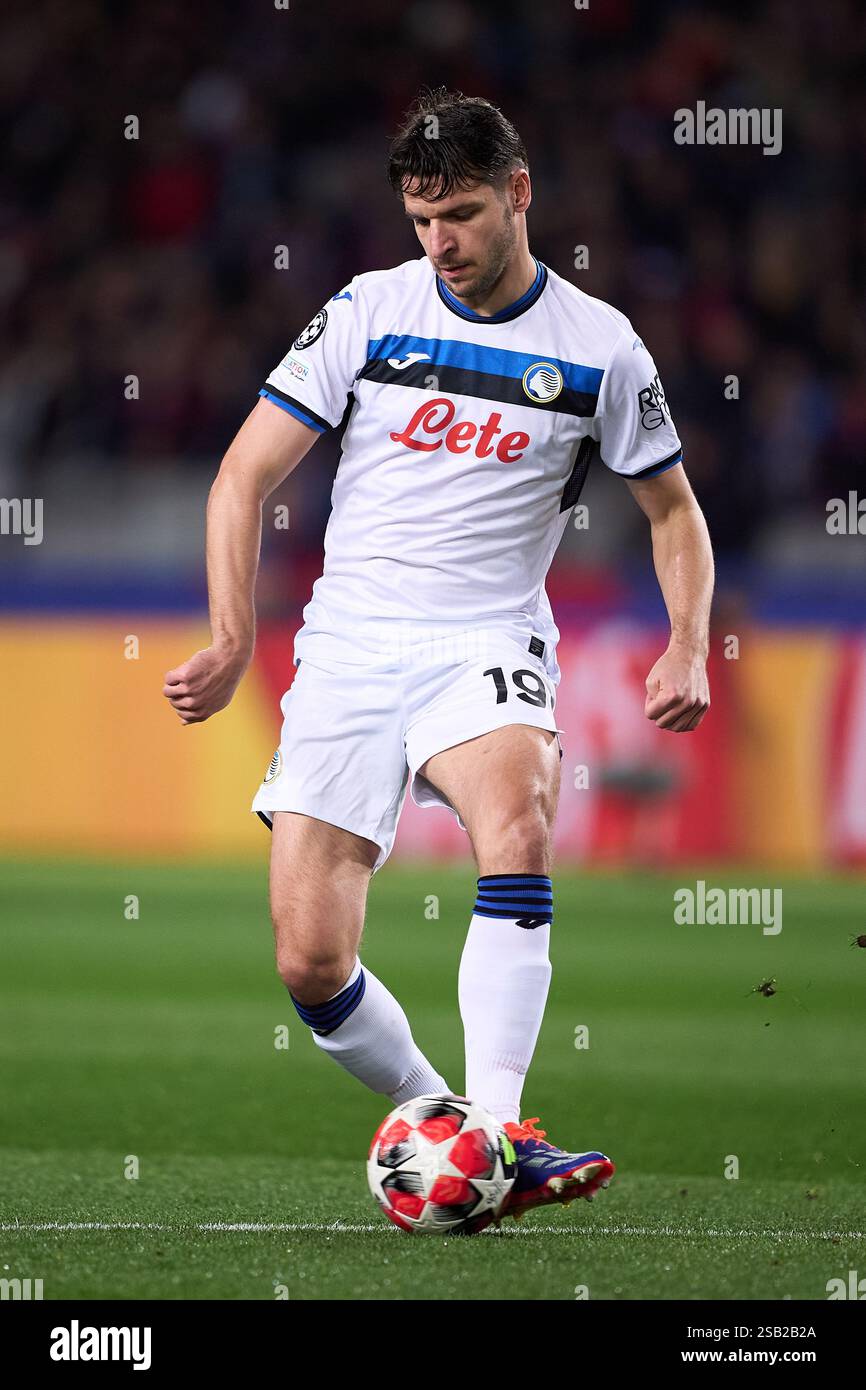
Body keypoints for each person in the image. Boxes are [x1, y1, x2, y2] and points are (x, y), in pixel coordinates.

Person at [164, 88, 713, 1221]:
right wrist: (231, 636)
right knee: (309, 962)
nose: (438, 244)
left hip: (486, 637)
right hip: (351, 644)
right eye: (419, 220)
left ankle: (503, 1130)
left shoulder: (598, 346)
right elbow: (241, 474)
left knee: (515, 817)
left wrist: (687, 645)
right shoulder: (368, 311)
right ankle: (453, 1122)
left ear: (518, 193)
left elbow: (671, 512)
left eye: (458, 214)